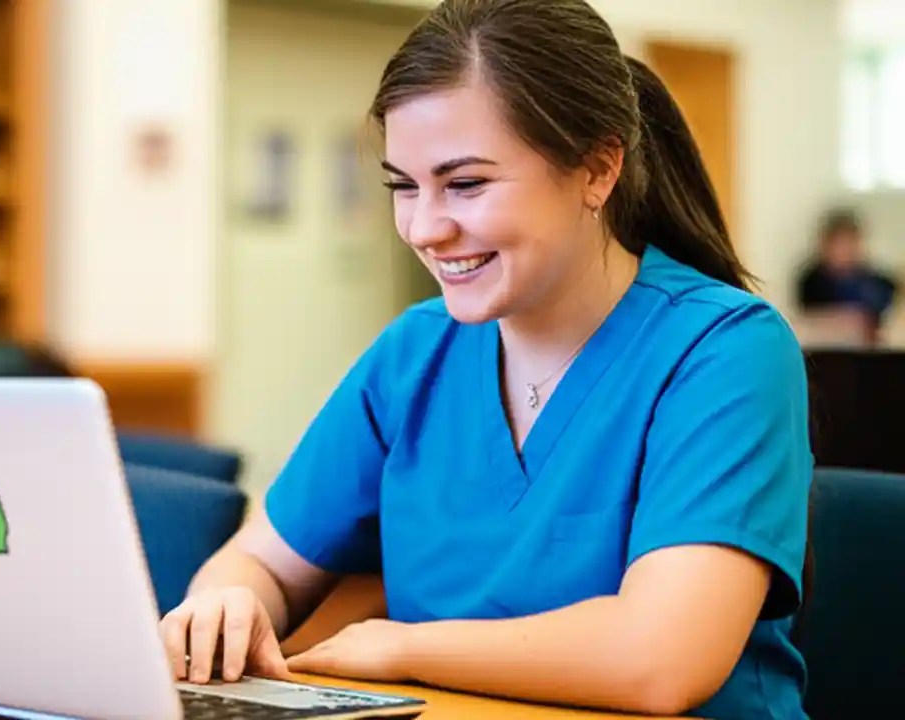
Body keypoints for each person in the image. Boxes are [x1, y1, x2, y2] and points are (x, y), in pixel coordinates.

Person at [160, 1, 811, 718]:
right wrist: (228, 600)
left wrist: (404, 648)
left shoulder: (726, 351)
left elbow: (661, 660)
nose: (425, 228)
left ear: (598, 169)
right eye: (403, 186)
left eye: (464, 184)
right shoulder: (415, 352)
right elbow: (264, 564)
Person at [796, 209, 897, 346]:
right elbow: (808, 320)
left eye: (849, 243)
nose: (844, 251)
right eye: (839, 244)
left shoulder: (877, 282)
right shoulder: (811, 282)